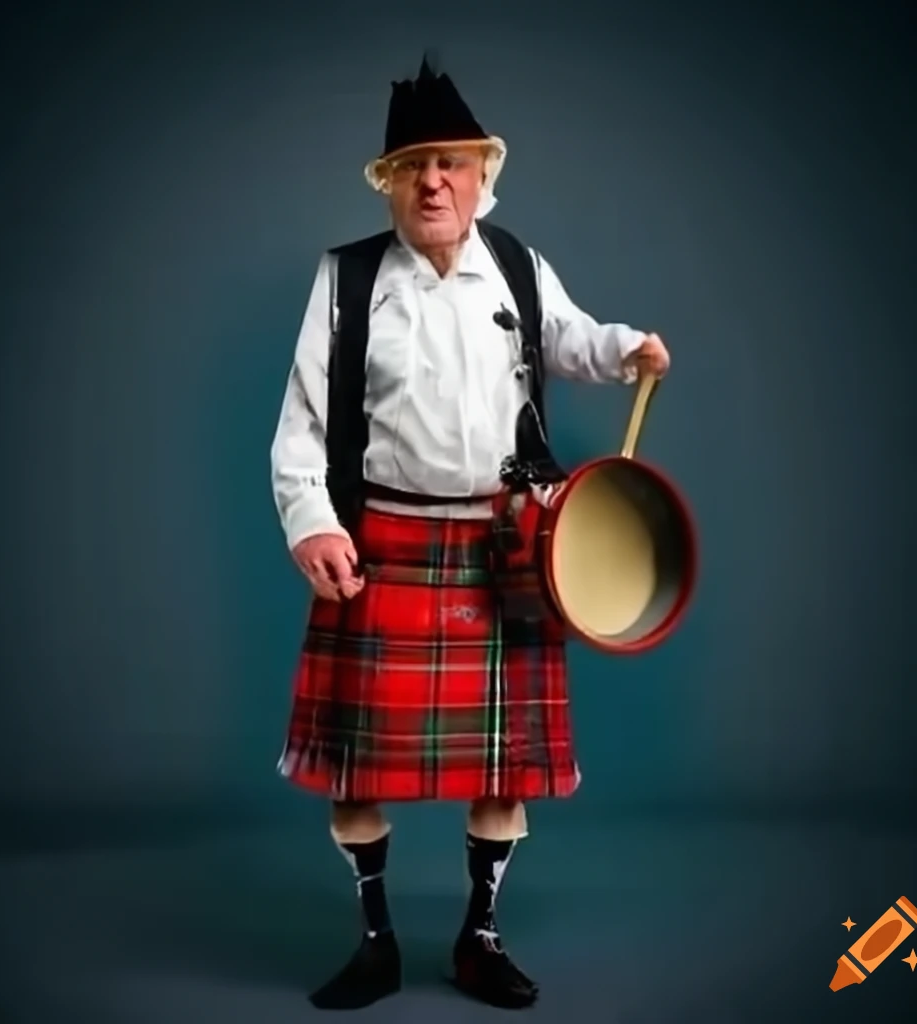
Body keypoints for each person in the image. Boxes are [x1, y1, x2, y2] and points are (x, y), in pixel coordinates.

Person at [270, 56, 670, 1011]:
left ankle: (479, 935)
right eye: (413, 167)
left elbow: (572, 338)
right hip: (385, 544)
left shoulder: (521, 267)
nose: (434, 182)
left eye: (451, 163)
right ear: (391, 183)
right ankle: (376, 942)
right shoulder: (347, 279)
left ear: (485, 175)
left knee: (504, 764)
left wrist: (628, 349)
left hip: (508, 543)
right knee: (355, 769)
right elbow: (301, 426)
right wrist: (311, 523)